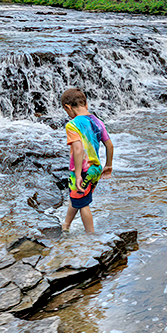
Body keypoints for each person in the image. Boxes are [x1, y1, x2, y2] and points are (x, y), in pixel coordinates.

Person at [60, 88, 113, 234]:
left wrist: (77, 175)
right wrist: (109, 165)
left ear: (68, 108)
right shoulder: (97, 121)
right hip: (96, 169)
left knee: (83, 205)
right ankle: (66, 225)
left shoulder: (73, 125)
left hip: (83, 170)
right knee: (78, 197)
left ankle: (91, 237)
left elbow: (78, 150)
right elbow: (109, 145)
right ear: (86, 104)